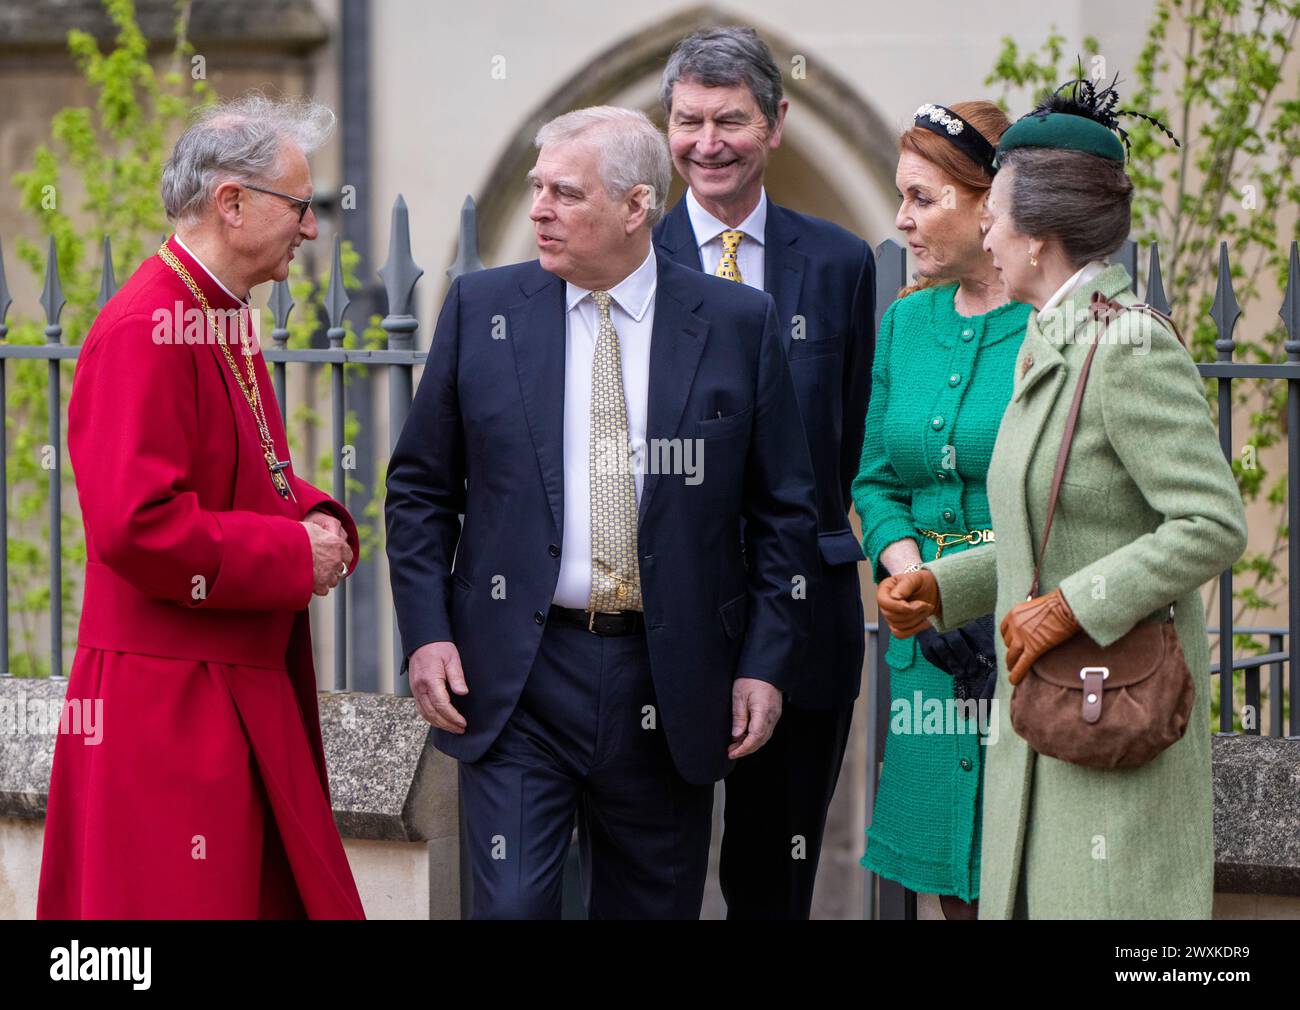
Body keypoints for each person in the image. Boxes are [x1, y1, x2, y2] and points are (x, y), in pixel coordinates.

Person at [385, 105, 818, 920]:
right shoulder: (484, 310)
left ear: (635, 207)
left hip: (671, 676)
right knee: (511, 907)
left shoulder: (734, 323)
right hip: (517, 673)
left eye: (566, 193)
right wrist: (429, 631)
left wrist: (763, 660)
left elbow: (783, 512)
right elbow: (420, 489)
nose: (540, 209)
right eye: (537, 189)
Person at [877, 77, 1249, 918]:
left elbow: (1213, 524)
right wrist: (948, 587)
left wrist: (1073, 606)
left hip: (1111, 741)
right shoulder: (1049, 342)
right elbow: (1046, 532)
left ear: (1038, 236)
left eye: (995, 216)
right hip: (1043, 737)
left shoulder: (1127, 348)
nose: (986, 233)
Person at [37, 94, 365, 919]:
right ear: (232, 202)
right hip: (167, 707)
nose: (311, 228)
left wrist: (316, 516)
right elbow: (138, 526)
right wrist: (295, 557)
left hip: (222, 683)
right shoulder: (146, 326)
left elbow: (243, 471)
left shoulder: (216, 314)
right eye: (300, 206)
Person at [653, 25, 875, 921]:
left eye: (731, 120)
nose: (707, 142)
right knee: (652, 871)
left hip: (803, 614)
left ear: (776, 124)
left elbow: (851, 439)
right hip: (661, 613)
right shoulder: (633, 258)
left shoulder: (839, 263)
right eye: (688, 120)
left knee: (773, 880)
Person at [851, 99, 1024, 920]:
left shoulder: (1056, 326)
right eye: (900, 198)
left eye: (923, 199)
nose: (901, 221)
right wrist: (912, 572)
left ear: (988, 201)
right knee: (951, 892)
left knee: (1026, 877)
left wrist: (970, 584)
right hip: (930, 657)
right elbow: (876, 480)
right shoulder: (906, 325)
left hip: (1029, 645)